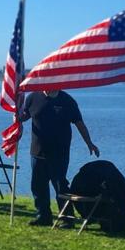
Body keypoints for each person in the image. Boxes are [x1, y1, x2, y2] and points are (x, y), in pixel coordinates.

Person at [20, 88, 99, 225]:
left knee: (60, 186)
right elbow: (24, 116)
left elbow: (79, 123)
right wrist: (17, 116)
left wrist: (89, 143)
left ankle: (67, 218)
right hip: (37, 152)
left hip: (59, 153)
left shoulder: (67, 100)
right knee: (38, 186)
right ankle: (43, 216)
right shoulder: (33, 97)